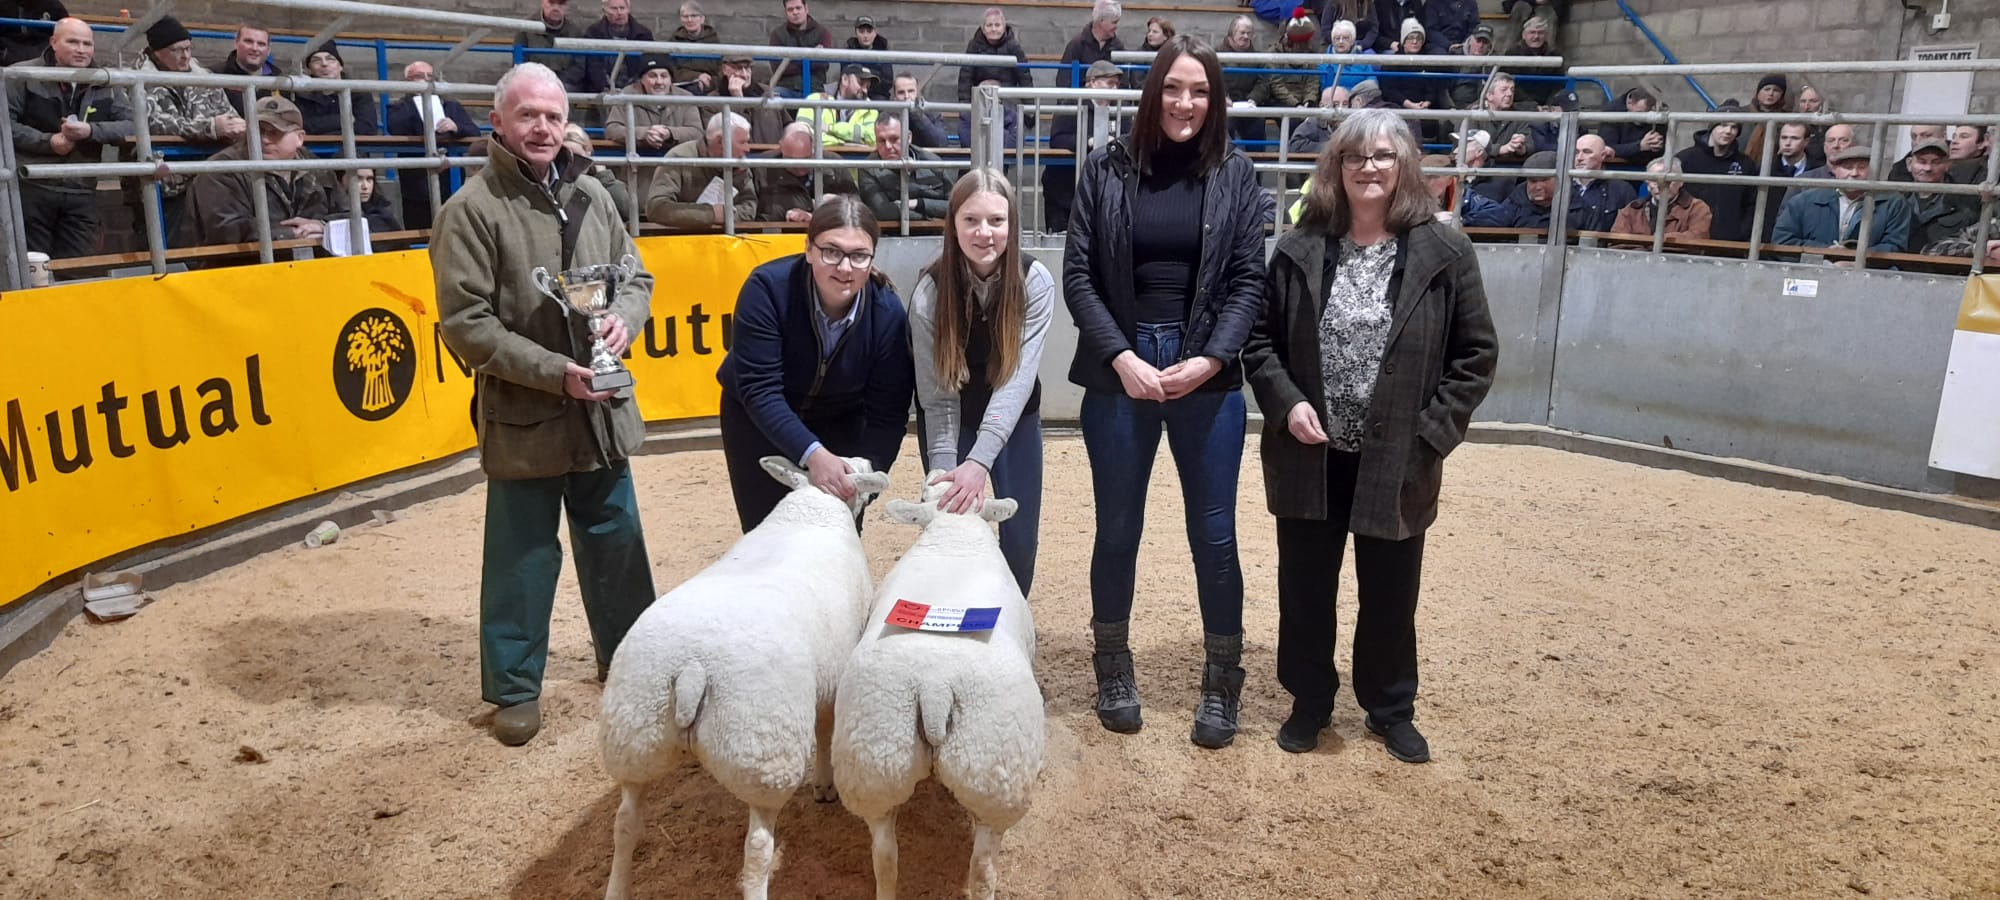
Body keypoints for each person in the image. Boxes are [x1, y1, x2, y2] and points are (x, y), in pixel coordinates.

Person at [1242, 107, 1497, 763]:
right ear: (1336, 167)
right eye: (1355, 156)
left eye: (1384, 155)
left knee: (1390, 593)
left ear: (1405, 166)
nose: (1369, 167)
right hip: (1310, 453)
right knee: (1306, 589)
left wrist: (1431, 436)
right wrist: (1287, 404)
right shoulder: (1299, 246)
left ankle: (1389, 708)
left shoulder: (1445, 251)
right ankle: (1309, 701)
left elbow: (1476, 355)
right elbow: (1260, 343)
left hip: (1399, 456)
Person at [430, 62, 657, 746]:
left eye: (554, 116)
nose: (542, 127)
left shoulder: (593, 194)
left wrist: (623, 321)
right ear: (497, 122)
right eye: (527, 114)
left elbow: (636, 276)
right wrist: (554, 372)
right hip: (526, 414)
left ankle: (631, 660)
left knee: (617, 539)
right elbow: (466, 325)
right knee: (521, 556)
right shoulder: (470, 210)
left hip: (601, 410)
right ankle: (513, 689)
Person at [1065, 36, 1268, 750]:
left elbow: (1248, 280)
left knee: (1214, 534)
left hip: (1205, 376)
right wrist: (1120, 356)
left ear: (1215, 100)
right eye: (1174, 88)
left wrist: (1210, 360)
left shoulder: (1237, 173)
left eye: (1200, 91)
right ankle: (1112, 668)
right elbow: (1079, 277)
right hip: (1120, 373)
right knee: (1117, 529)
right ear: (1153, 92)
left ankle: (1222, 679)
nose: (1186, 103)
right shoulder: (1105, 168)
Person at [714, 194, 915, 530]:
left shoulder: (887, 313)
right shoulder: (767, 288)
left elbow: (889, 413)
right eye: (831, 252)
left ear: (871, 259)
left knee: (836, 533)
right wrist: (812, 454)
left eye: (859, 255)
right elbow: (760, 389)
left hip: (842, 418)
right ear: (809, 249)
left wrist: (865, 473)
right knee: (768, 532)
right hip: (758, 420)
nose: (845, 268)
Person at [909, 169, 1053, 593]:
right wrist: (943, 469)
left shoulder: (1035, 281)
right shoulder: (929, 292)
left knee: (1020, 538)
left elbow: (1016, 380)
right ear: (953, 225)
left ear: (1012, 224)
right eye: (971, 220)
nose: (984, 232)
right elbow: (937, 396)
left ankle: (1011, 617)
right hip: (951, 420)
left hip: (1014, 420)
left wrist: (980, 460)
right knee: (949, 527)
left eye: (996, 220)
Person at [9, 18, 134, 258]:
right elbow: (5, 125)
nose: (81, 50)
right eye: (73, 42)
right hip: (31, 188)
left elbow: (133, 125)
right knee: (33, 269)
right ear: (53, 42)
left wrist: (91, 131)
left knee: (77, 270)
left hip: (82, 190)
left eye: (87, 44)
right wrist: (48, 142)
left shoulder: (106, 81)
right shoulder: (20, 75)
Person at [131, 16, 243, 246]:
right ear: (156, 52)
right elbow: (153, 122)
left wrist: (235, 126)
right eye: (177, 50)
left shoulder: (203, 77)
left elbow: (227, 112)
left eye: (188, 48)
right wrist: (210, 127)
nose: (185, 56)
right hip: (164, 180)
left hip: (208, 175)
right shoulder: (137, 80)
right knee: (168, 243)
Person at [181, 97, 342, 247]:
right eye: (258, 131)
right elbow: (226, 230)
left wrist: (324, 225)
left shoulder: (317, 167)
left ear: (299, 138)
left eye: (275, 132)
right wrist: (293, 234)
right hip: (239, 263)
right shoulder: (220, 169)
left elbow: (349, 213)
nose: (264, 139)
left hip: (311, 260)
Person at [386, 61, 485, 231]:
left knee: (455, 229)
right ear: (407, 81)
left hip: (451, 181)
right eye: (419, 76)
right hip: (416, 184)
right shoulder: (399, 106)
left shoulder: (451, 106)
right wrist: (416, 103)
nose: (426, 80)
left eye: (430, 77)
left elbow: (474, 131)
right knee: (420, 231)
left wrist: (456, 127)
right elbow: (395, 128)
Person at [1772, 145, 1913, 259]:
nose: (1854, 173)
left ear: (1875, 171)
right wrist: (1826, 252)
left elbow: (1895, 246)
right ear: (1835, 170)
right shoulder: (1805, 200)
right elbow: (1782, 240)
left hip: (1867, 275)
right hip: (1810, 271)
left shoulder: (1893, 203)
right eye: (1848, 167)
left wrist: (1854, 258)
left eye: (1862, 167)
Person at [644, 111, 758, 230]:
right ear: (720, 141)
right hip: (679, 236)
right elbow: (656, 208)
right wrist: (710, 214)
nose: (747, 149)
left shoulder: (738, 162)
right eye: (742, 142)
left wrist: (728, 215)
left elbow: (749, 207)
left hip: (725, 236)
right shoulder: (679, 157)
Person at [1044, 59, 1122, 231]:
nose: (1115, 89)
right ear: (1093, 82)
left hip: (1104, 190)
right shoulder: (1072, 104)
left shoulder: (1121, 108)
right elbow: (1057, 140)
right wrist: (1088, 141)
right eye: (1110, 83)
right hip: (1065, 188)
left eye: (1117, 84)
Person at [758, 122, 859, 222]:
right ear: (781, 147)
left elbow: (855, 204)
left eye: (806, 159)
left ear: (813, 147)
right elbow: (762, 211)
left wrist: (817, 211)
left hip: (827, 228)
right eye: (792, 161)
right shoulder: (763, 165)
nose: (800, 167)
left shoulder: (833, 162)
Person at [857, 116, 953, 221]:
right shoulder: (868, 167)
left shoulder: (932, 162)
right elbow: (882, 212)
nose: (888, 146)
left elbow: (954, 206)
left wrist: (917, 203)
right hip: (891, 231)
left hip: (936, 230)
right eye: (881, 141)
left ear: (908, 137)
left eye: (894, 139)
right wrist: (928, 216)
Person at [1611, 158, 1712, 241]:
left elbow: (1697, 239)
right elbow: (1617, 242)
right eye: (1654, 180)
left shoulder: (1697, 209)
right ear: (1647, 185)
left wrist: (1657, 241)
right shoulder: (1632, 210)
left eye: (1668, 180)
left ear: (1680, 182)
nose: (1661, 186)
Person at [294, 42, 380, 136]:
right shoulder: (301, 94)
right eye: (316, 60)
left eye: (330, 59)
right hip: (312, 144)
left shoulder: (358, 92)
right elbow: (301, 126)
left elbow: (368, 129)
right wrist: (341, 119)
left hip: (355, 145)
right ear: (310, 69)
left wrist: (325, 129)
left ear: (340, 66)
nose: (324, 64)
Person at [960, 8, 1035, 104]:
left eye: (997, 25)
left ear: (1004, 27)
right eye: (989, 25)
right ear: (983, 29)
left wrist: (1029, 108)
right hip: (980, 99)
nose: (993, 29)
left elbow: (1024, 78)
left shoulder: (1014, 47)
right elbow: (965, 78)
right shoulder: (974, 46)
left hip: (1007, 99)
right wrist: (965, 107)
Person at [563, 123, 633, 225]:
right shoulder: (553, 179)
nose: (572, 162)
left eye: (577, 155)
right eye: (565, 156)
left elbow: (625, 210)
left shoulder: (602, 177)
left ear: (588, 152)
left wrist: (604, 177)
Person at [579, 0, 652, 96]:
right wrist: (605, 88)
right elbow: (593, 67)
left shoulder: (643, 34)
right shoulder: (593, 33)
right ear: (605, 11)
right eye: (614, 8)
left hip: (635, 89)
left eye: (622, 8)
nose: (619, 12)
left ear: (628, 9)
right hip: (602, 90)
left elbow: (647, 65)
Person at [797, 64, 880, 145]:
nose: (865, 90)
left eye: (868, 87)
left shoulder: (871, 109)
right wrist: (842, 142)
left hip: (855, 155)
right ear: (845, 79)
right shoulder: (815, 99)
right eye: (860, 83)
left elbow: (873, 138)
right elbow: (802, 133)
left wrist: (830, 129)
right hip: (821, 154)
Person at [515, 0, 587, 93]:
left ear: (566, 6)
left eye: (561, 4)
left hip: (564, 86)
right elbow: (520, 65)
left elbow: (578, 67)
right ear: (542, 2)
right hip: (533, 84)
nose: (556, 8)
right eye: (551, 3)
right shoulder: (526, 29)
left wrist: (556, 83)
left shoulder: (575, 32)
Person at [768, 0, 831, 98]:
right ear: (785, 13)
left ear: (806, 9)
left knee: (825, 102)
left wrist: (789, 60)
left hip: (814, 88)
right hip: (785, 87)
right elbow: (777, 66)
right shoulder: (777, 34)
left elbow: (823, 64)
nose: (795, 12)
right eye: (790, 9)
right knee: (770, 100)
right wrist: (810, 58)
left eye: (798, 8)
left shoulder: (822, 32)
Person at [1060, 0, 1126, 89]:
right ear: (1101, 21)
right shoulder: (1076, 45)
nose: (1116, 26)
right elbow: (1064, 80)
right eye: (1114, 22)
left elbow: (1124, 83)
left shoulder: (1118, 47)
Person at [214, 24, 277, 114]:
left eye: (261, 44)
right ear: (236, 43)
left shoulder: (280, 80)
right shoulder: (215, 76)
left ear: (268, 50)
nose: (255, 48)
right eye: (248, 42)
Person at [669, 1, 720, 91]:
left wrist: (709, 83)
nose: (689, 20)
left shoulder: (713, 40)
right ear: (681, 19)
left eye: (694, 16)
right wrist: (697, 76)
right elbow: (671, 69)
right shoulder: (674, 40)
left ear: (702, 19)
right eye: (685, 16)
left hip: (710, 86)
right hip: (683, 85)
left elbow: (720, 69)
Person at [891, 74, 951, 148]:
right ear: (895, 97)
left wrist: (916, 115)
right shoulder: (888, 115)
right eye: (901, 92)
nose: (906, 96)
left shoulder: (931, 112)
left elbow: (941, 143)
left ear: (917, 93)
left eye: (910, 91)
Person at [0, 0, 65, 67]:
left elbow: (66, 33)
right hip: (6, 59)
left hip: (44, 60)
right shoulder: (2, 5)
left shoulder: (53, 6)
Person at [844, 16, 893, 101]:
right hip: (854, 94)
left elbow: (887, 82)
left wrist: (862, 76)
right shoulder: (848, 52)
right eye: (861, 31)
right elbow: (846, 78)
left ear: (875, 33)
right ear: (856, 33)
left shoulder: (883, 51)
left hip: (878, 96)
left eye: (869, 31)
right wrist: (875, 75)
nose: (865, 35)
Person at [344, 167, 402, 233]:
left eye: (369, 179)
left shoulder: (383, 211)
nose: (365, 186)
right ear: (344, 180)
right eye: (358, 179)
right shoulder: (338, 212)